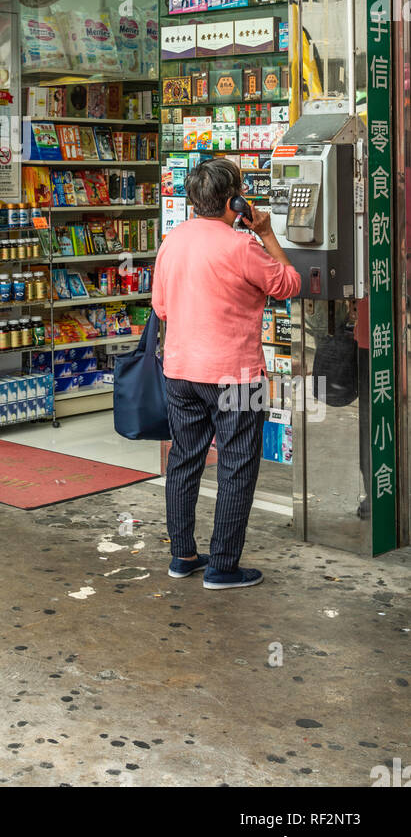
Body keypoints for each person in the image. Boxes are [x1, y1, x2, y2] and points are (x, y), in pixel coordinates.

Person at [151, 158, 301, 589]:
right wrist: (267, 232)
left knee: (184, 459)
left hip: (180, 371)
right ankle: (222, 565)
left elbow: (161, 308)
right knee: (236, 464)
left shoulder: (172, 242)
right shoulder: (243, 246)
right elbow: (289, 284)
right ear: (235, 199)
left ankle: (182, 555)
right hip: (236, 377)